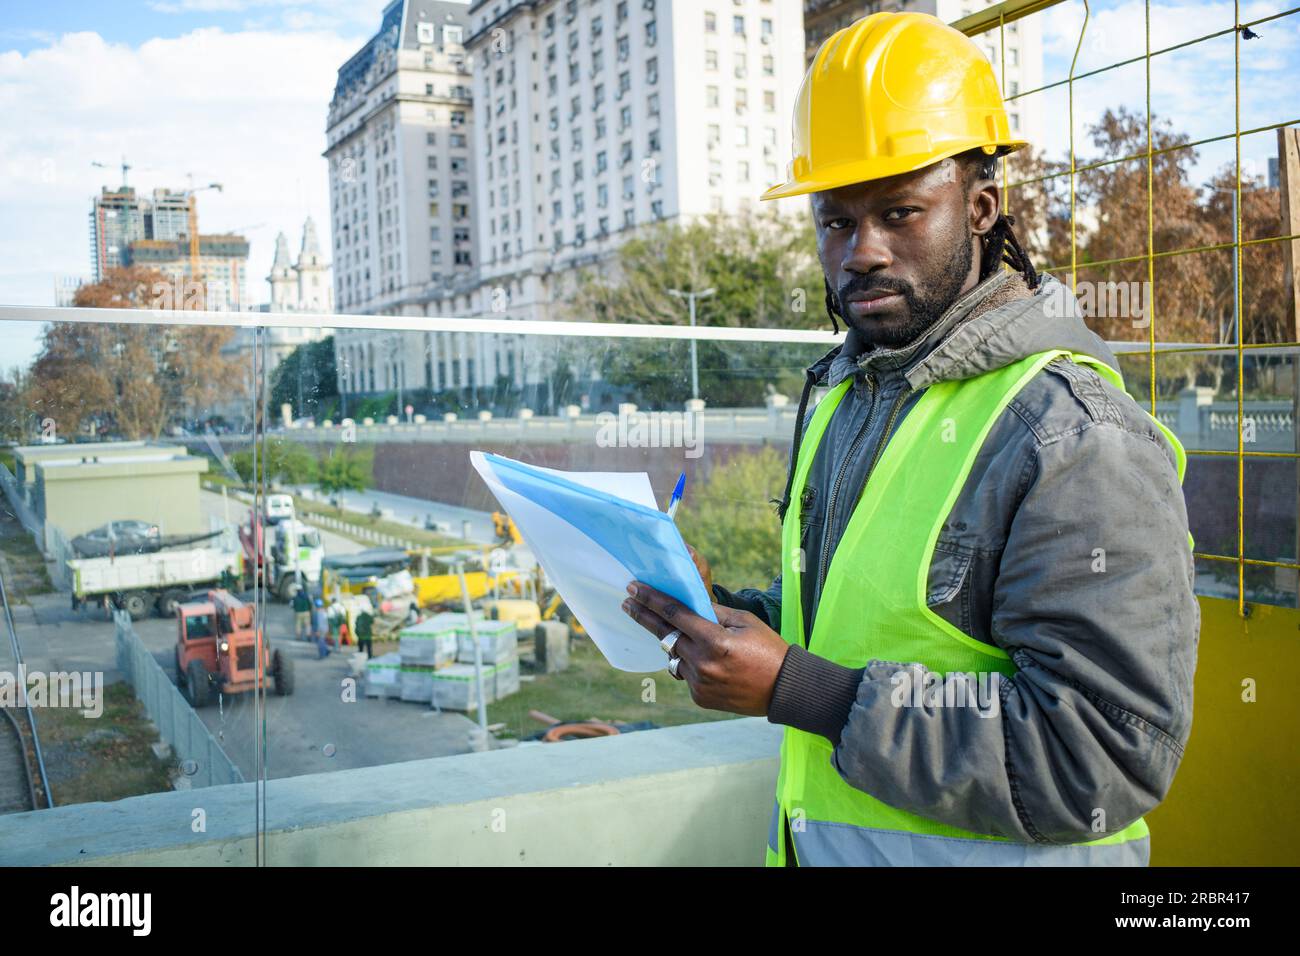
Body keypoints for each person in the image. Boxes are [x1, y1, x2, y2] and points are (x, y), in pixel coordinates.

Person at [620, 11, 1198, 867]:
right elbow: (878, 630)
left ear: (981, 207)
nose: (861, 253)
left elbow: (1100, 754)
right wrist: (738, 622)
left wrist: (793, 687)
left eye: (899, 212)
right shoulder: (846, 397)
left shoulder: (1072, 432)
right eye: (836, 222)